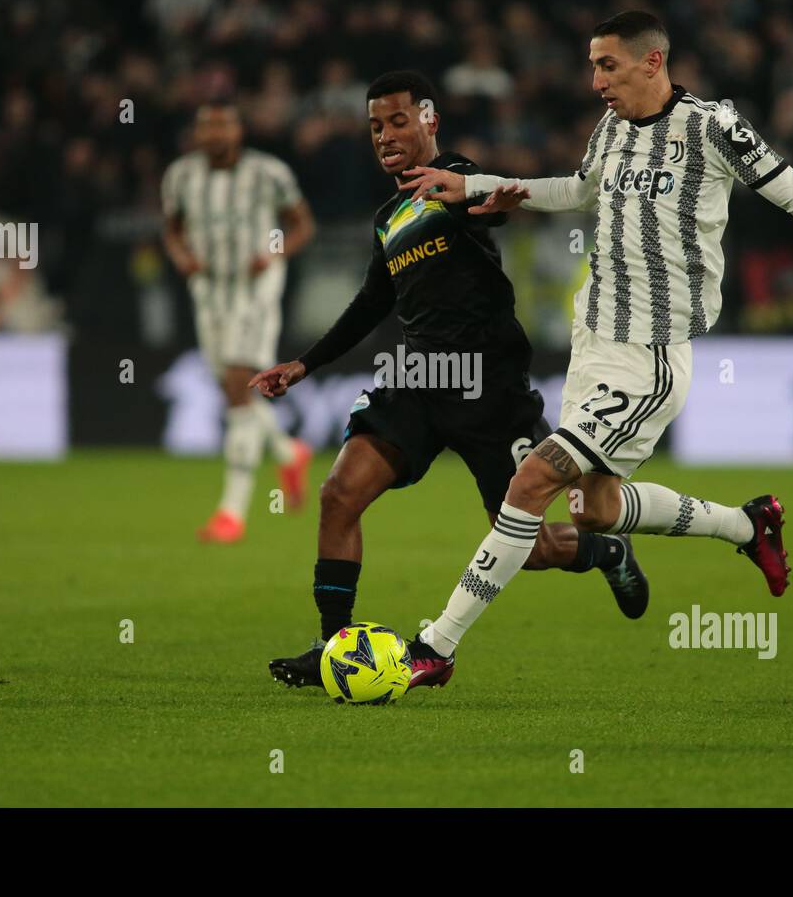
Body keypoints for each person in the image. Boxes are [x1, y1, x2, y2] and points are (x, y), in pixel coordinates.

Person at [397, 11, 793, 675]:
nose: (595, 80)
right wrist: (477, 186)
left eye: (608, 65)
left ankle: (436, 645)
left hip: (649, 356)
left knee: (533, 478)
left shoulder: (715, 128)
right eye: (593, 65)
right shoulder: (611, 128)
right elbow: (578, 189)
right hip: (593, 340)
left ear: (652, 63)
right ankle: (749, 526)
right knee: (593, 510)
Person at [253, 71, 649, 691]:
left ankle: (608, 552)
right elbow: (369, 302)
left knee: (535, 546)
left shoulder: (458, 177)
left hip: (489, 388)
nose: (385, 135)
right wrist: (305, 363)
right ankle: (333, 647)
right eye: (376, 126)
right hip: (417, 377)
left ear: (430, 120)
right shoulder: (388, 216)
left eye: (398, 121)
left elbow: (484, 211)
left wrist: (484, 203)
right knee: (338, 494)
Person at [160, 101, 316, 543]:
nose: (214, 134)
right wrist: (181, 257)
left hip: (256, 290)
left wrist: (274, 253)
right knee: (231, 387)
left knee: (237, 383)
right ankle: (289, 450)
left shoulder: (269, 173)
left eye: (222, 125)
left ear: (238, 130)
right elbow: (172, 227)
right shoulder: (181, 176)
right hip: (208, 292)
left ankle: (232, 513)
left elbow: (302, 224)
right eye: (206, 126)